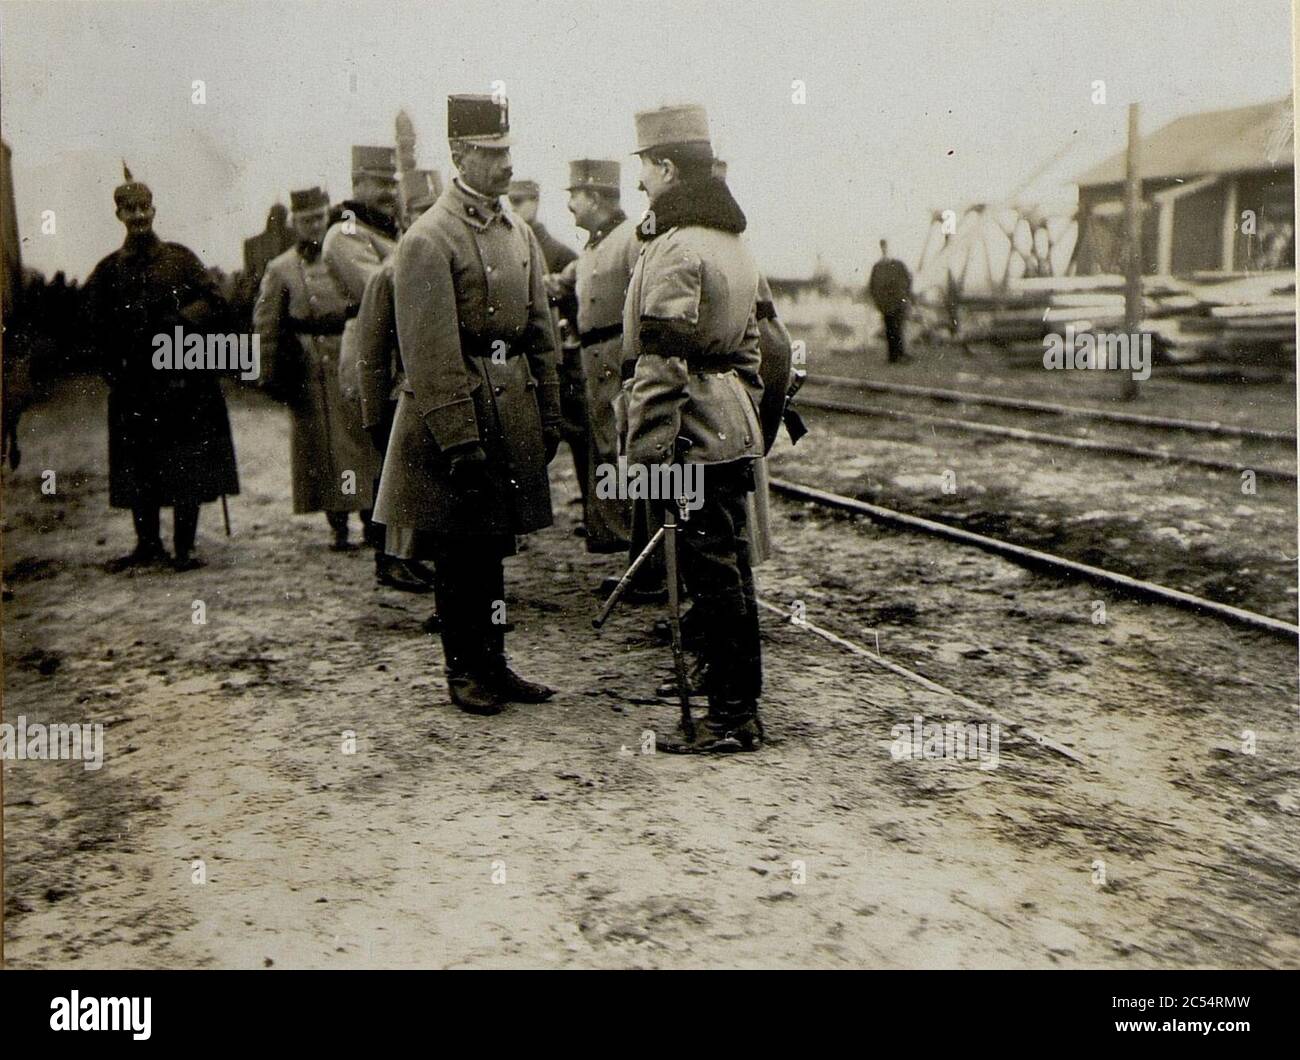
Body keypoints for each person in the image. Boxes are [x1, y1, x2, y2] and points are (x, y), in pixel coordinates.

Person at [373, 93, 563, 716]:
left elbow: (540, 330)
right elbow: (428, 353)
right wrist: (459, 439)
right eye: (493, 154)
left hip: (510, 409)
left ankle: (495, 663)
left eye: (508, 151)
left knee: (494, 544)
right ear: (459, 155)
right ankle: (465, 671)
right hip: (453, 412)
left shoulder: (519, 232)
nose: (507, 164)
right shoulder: (430, 238)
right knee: (459, 549)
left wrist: (551, 411)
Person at [623, 104, 765, 753]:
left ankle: (732, 716)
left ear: (669, 167)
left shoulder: (678, 247)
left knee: (709, 570)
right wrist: (745, 412)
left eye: (647, 169)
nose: (642, 183)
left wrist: (648, 449)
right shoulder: (733, 242)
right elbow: (753, 349)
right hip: (730, 427)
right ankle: (736, 700)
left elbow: (662, 360)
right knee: (730, 564)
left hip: (690, 436)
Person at [253, 185, 414, 584]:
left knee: (361, 446)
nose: (313, 226)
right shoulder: (281, 268)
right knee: (322, 451)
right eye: (305, 220)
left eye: (319, 218)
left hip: (350, 353)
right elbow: (266, 325)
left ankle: (368, 521)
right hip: (309, 368)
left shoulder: (342, 254)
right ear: (293, 223)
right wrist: (268, 373)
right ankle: (336, 522)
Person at [83, 164, 239, 572]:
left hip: (182, 382)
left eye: (144, 208)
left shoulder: (181, 260)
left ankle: (184, 547)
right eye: (129, 209)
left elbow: (214, 301)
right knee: (139, 466)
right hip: (134, 387)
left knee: (185, 463)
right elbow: (89, 326)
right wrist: (111, 367)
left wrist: (185, 320)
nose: (138, 216)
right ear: (118, 215)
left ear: (154, 210)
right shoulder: (108, 271)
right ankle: (147, 544)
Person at [352, 172, 441, 598]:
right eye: (421, 214)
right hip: (403, 393)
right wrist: (374, 411)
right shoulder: (388, 274)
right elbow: (371, 350)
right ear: (407, 222)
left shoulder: (452, 268)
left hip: (447, 391)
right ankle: (392, 562)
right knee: (398, 486)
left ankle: (422, 562)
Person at [552, 159, 639, 556]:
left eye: (575, 195)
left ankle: (635, 547)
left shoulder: (632, 238)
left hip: (620, 356)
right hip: (595, 361)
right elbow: (560, 284)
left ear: (596, 196)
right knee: (606, 448)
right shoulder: (594, 245)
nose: (571, 204)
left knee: (624, 451)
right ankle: (615, 538)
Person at [319, 146, 394, 567]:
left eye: (392, 184)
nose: (389, 193)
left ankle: (401, 552)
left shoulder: (381, 230)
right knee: (380, 450)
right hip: (369, 346)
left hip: (388, 347)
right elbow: (379, 290)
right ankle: (391, 558)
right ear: (357, 184)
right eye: (380, 184)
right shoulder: (346, 235)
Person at [509, 178, 589, 526]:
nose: (514, 209)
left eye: (520, 202)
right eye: (509, 202)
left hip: (561, 360)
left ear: (535, 203)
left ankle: (594, 513)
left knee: (579, 437)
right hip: (520, 362)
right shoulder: (506, 245)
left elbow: (578, 309)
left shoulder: (559, 253)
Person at [868, 238, 913, 363]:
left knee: (898, 328)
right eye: (882, 247)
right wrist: (879, 302)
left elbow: (908, 280)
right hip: (886, 304)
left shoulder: (898, 265)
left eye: (886, 247)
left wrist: (905, 296)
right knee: (890, 329)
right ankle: (893, 357)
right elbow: (872, 286)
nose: (884, 250)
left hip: (898, 302)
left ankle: (900, 354)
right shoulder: (877, 267)